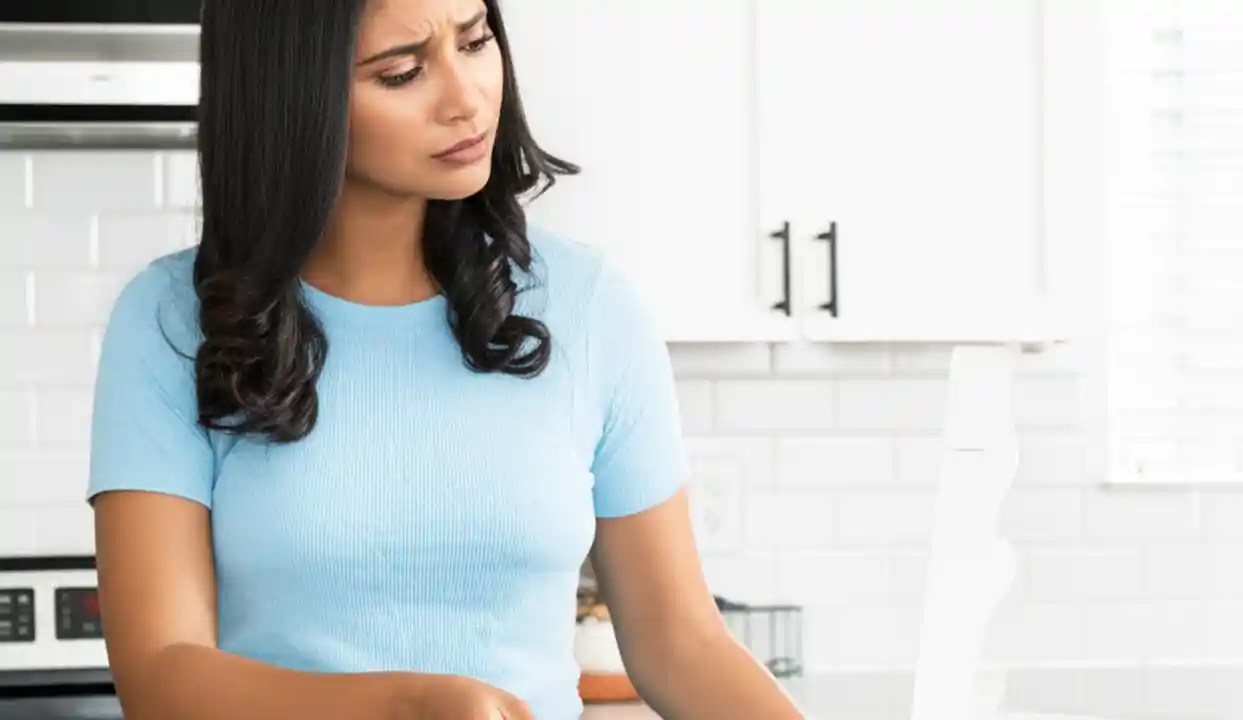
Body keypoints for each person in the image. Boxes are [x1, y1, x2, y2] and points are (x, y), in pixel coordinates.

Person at [86, 1, 803, 718]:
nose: (467, 100)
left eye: (476, 40)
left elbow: (683, 645)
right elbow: (162, 676)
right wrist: (410, 706)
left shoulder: (590, 304)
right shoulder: (173, 321)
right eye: (402, 73)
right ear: (294, 93)